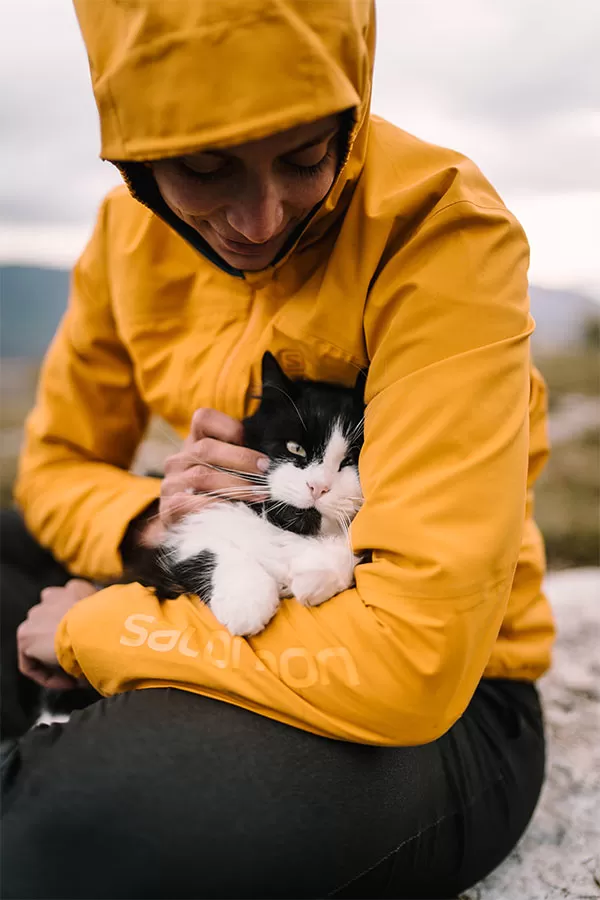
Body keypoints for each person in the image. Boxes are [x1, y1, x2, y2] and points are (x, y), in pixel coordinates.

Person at [0, 1, 555, 897]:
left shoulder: (444, 231)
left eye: (305, 159)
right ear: (136, 154)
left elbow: (408, 660)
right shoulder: (121, 232)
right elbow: (54, 468)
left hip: (432, 699)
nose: (258, 221)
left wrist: (93, 629)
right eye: (202, 169)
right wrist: (150, 519)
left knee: (76, 839)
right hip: (216, 572)